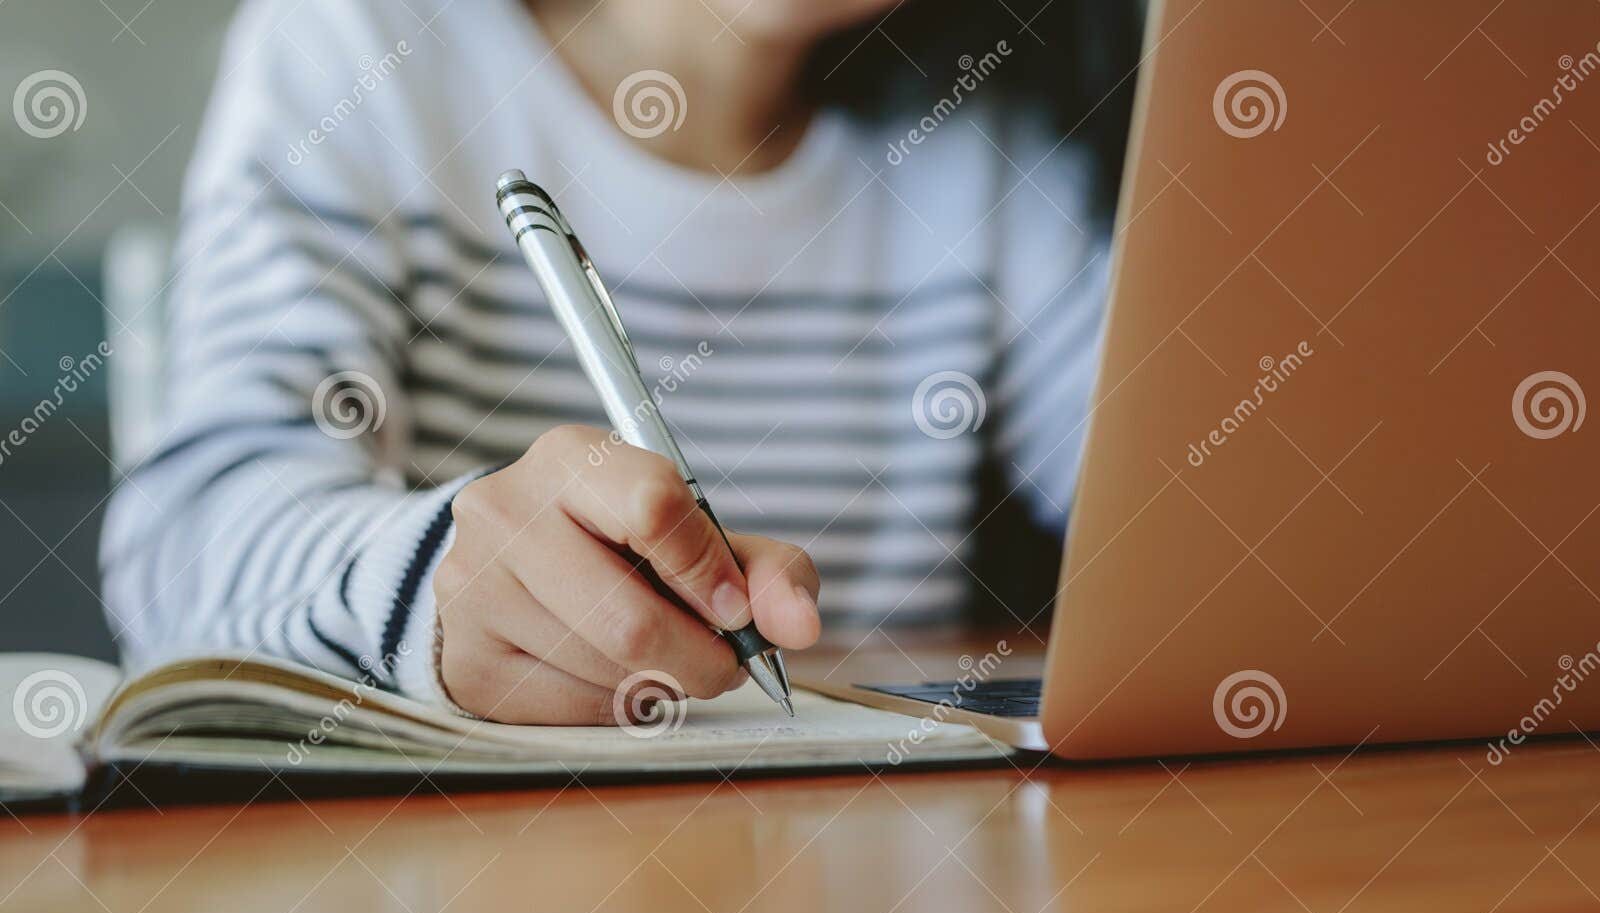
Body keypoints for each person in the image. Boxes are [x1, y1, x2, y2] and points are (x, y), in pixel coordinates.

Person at [99, 0, 1137, 723]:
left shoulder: (991, 141)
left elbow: (1196, 523)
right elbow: (178, 559)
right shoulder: (362, 52)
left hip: (864, 896)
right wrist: (435, 585)